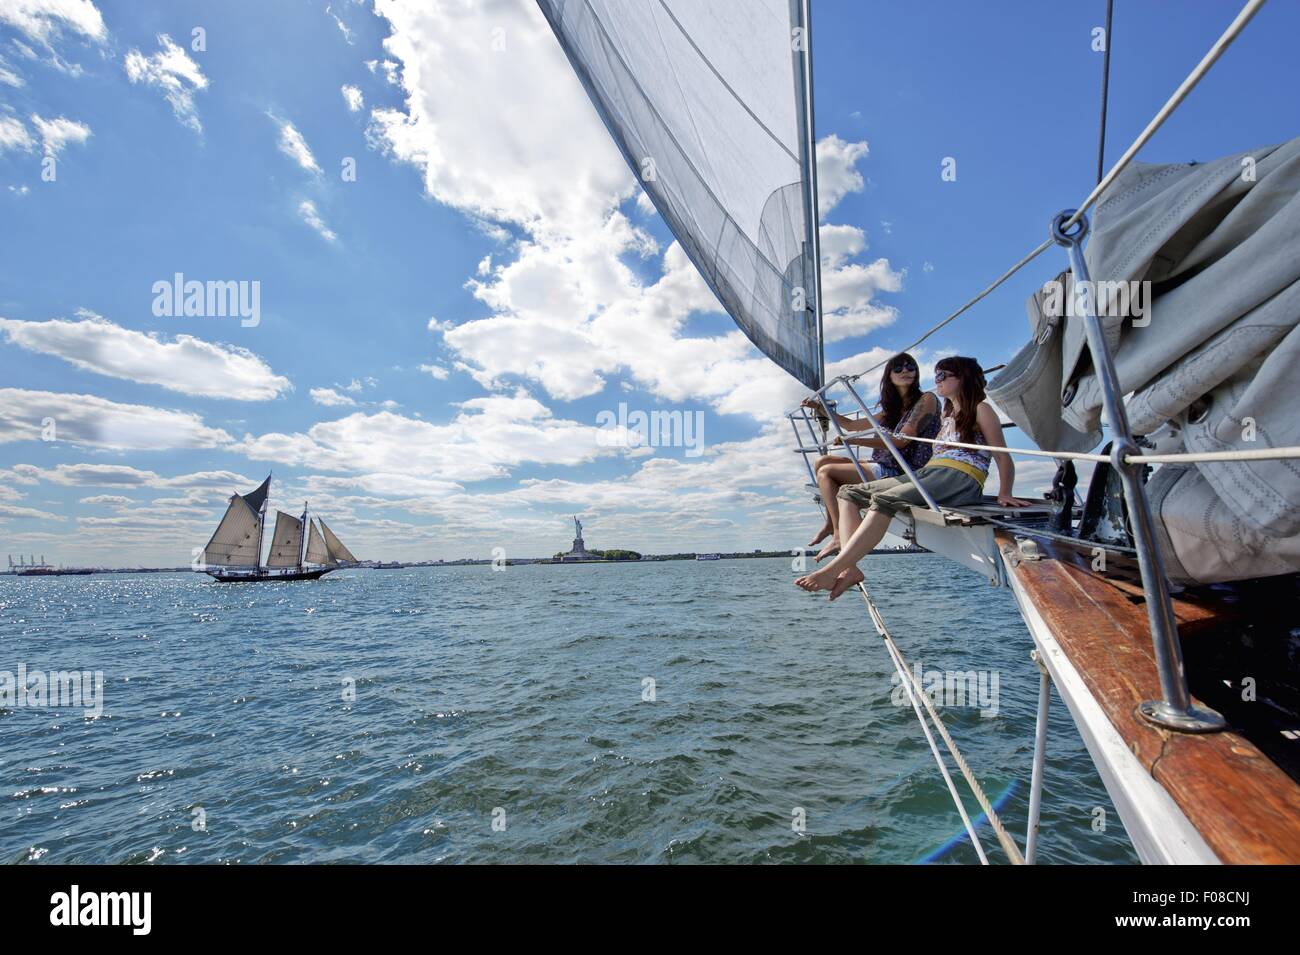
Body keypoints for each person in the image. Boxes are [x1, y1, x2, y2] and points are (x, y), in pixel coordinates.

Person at [795, 356, 1032, 600]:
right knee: (848, 492)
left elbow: (1002, 454)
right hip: (930, 472)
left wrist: (1005, 492)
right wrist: (824, 410)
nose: (936, 380)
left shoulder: (980, 409)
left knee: (885, 500)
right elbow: (853, 426)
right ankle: (850, 568)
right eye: (936, 375)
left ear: (963, 379)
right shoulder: (948, 415)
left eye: (942, 375)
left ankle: (832, 571)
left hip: (960, 476)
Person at [801, 353, 940, 561]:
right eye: (899, 368)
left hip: (905, 470)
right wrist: (821, 408)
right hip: (885, 463)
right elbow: (851, 426)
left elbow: (901, 441)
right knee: (821, 460)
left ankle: (839, 535)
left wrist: (854, 441)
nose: (905, 371)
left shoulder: (926, 399)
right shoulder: (892, 410)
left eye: (910, 367)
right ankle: (831, 523)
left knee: (826, 472)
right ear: (889, 376)